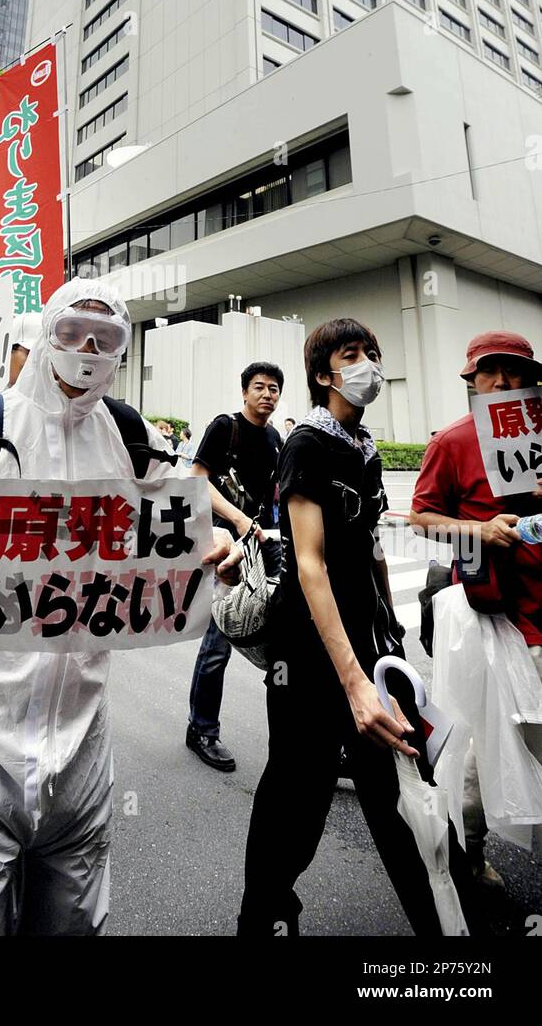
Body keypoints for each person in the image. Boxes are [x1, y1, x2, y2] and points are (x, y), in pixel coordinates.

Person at [0, 277, 229, 936]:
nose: (88, 349)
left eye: (107, 338)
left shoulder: (125, 431)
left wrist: (213, 548)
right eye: (72, 332)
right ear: (44, 337)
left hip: (79, 736)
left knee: (70, 920)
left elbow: (174, 509)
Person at [237, 319, 479, 937]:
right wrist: (352, 683)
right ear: (324, 374)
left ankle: (444, 931)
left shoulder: (363, 446)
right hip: (308, 650)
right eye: (353, 355)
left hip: (364, 645)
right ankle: (263, 914)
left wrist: (389, 626)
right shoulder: (307, 447)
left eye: (373, 353)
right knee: (296, 794)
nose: (369, 363)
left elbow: (368, 541)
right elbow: (311, 564)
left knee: (397, 786)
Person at [410, 330, 542, 889]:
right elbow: (420, 520)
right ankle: (468, 857)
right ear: (471, 382)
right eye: (491, 371)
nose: (504, 383)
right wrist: (479, 531)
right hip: (492, 617)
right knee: (477, 747)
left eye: (516, 372)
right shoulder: (455, 441)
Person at [186, 362, 283, 771]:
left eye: (274, 389)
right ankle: (202, 730)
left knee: (275, 640)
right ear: (244, 392)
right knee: (218, 641)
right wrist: (240, 520)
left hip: (261, 546)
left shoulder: (277, 438)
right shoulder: (225, 427)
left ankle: (298, 739)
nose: (267, 394)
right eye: (259, 387)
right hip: (223, 546)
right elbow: (197, 479)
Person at [8, 310, 43, 387]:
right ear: (9, 351)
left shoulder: (50, 396)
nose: (33, 360)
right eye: (29, 352)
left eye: (40, 354)